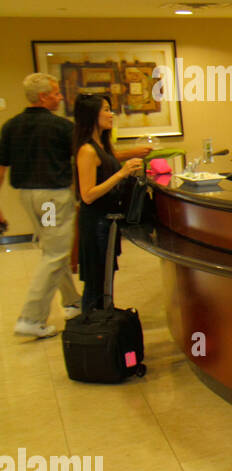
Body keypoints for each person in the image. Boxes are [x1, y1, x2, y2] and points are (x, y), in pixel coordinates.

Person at [0, 73, 83, 337]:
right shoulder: (60, 127)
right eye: (57, 93)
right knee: (55, 254)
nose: (60, 97)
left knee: (52, 249)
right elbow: (87, 156)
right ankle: (31, 318)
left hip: (28, 197)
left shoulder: (10, 126)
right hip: (51, 200)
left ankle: (72, 303)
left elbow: (0, 169)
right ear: (44, 96)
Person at [73, 94, 142, 314]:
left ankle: (104, 321)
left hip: (106, 221)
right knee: (95, 283)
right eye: (105, 109)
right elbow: (88, 195)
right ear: (92, 114)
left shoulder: (102, 145)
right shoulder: (87, 150)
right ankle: (93, 328)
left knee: (104, 280)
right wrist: (122, 173)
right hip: (95, 224)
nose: (111, 114)